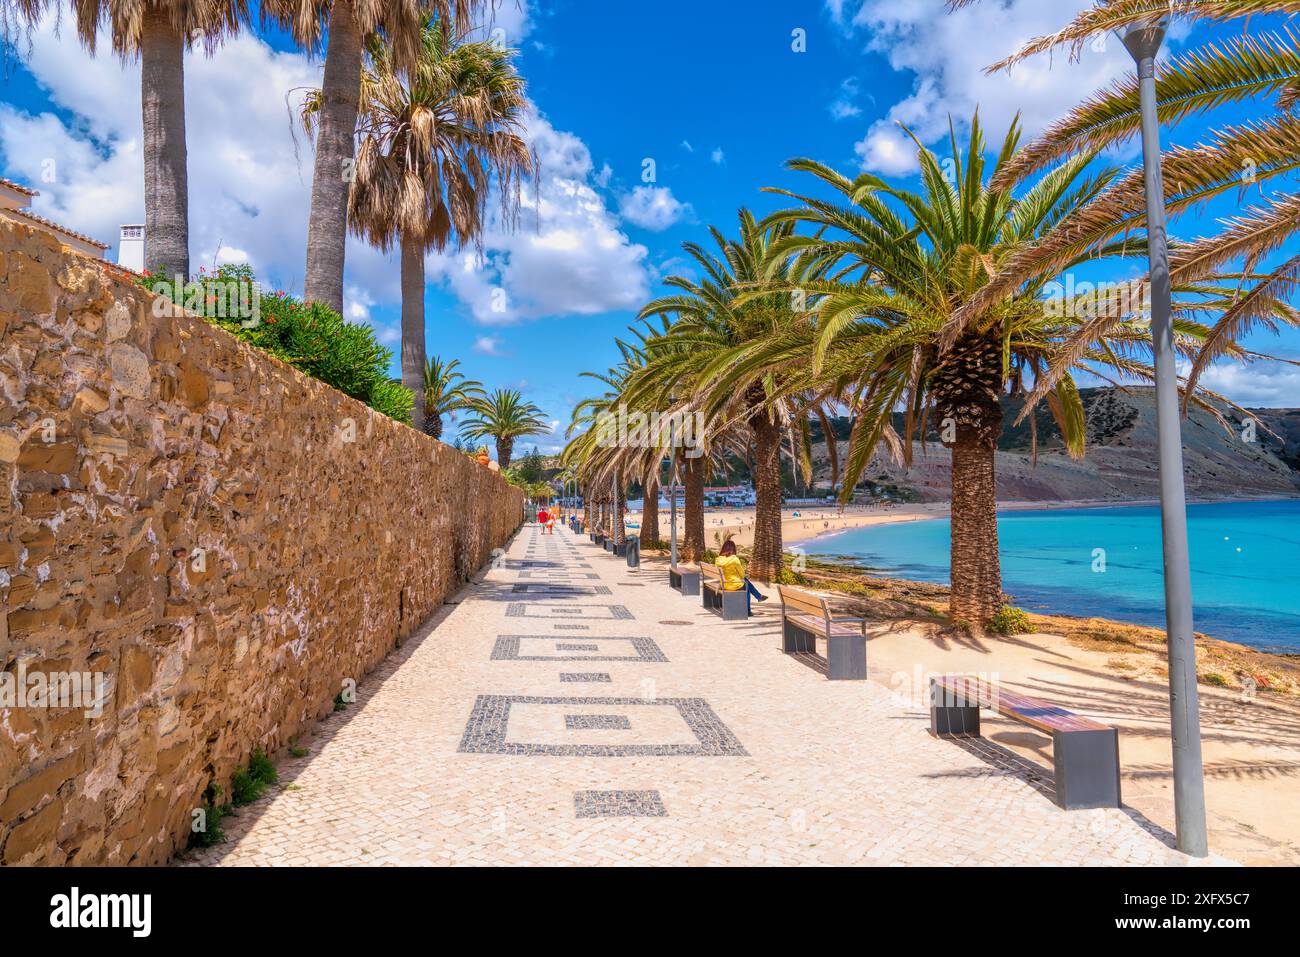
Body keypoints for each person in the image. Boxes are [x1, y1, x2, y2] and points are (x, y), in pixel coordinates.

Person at [716, 539, 767, 615]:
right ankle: (748, 610)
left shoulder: (718, 559)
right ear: (733, 549)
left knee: (745, 581)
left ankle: (758, 596)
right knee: (746, 585)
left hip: (724, 584)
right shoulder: (734, 559)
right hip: (734, 585)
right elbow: (742, 574)